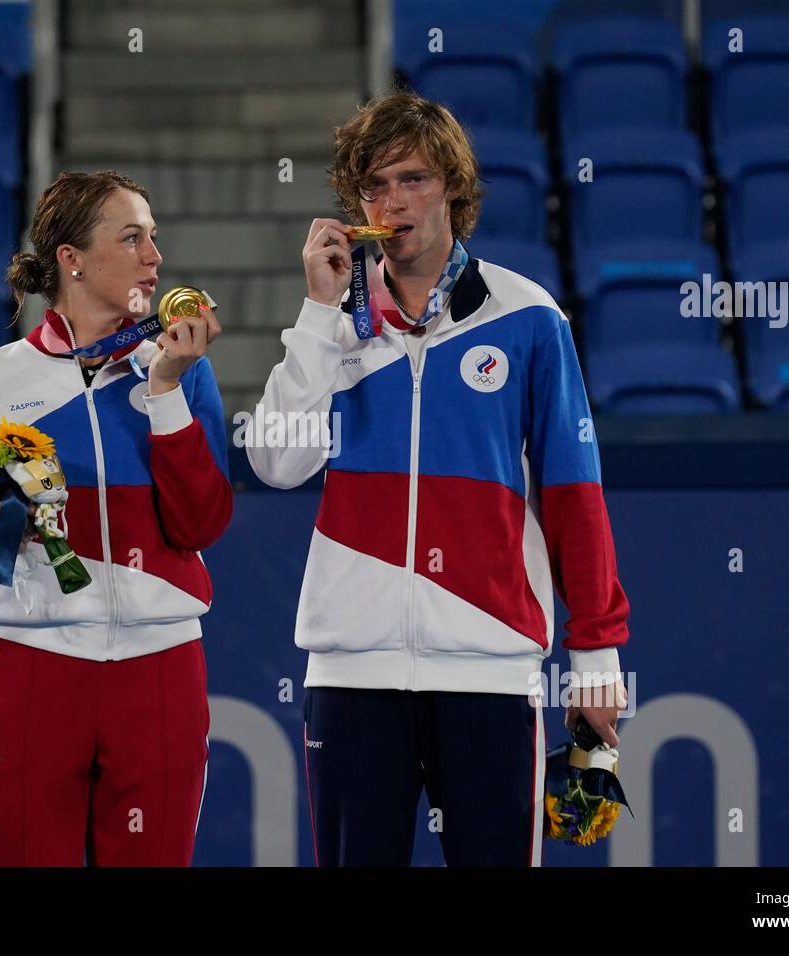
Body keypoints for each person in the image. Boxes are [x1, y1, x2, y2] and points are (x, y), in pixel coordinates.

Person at [247, 91, 631, 866]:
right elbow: (275, 463)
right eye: (374, 187)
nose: (393, 203)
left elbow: (573, 495)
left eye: (413, 180)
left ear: (453, 184)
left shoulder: (528, 319)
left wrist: (595, 655)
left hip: (489, 664)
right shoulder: (337, 322)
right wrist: (320, 319)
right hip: (352, 670)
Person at [0, 170, 232, 866]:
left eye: (154, 238)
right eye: (133, 237)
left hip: (161, 666)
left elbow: (201, 525)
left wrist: (168, 391)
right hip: (25, 665)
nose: (154, 257)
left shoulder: (180, 367)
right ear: (71, 258)